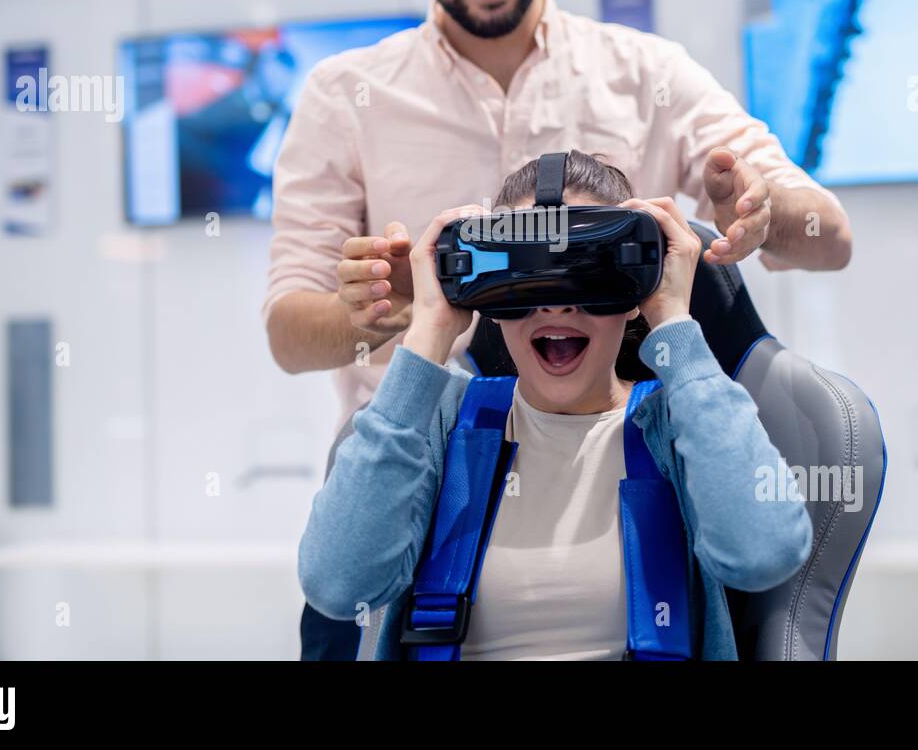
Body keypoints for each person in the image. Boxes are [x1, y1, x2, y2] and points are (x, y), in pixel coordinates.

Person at [265, 0, 851, 658]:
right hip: (414, 486)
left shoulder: (646, 72)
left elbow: (827, 236)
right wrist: (385, 315)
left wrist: (760, 214)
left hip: (632, 462)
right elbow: (288, 331)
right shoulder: (343, 96)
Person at [298, 152, 813, 659]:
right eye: (525, 277)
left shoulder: (682, 424)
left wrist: (674, 320)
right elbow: (339, 587)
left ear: (635, 291)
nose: (556, 304)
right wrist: (429, 332)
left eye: (588, 274)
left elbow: (762, 554)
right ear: (487, 298)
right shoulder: (441, 422)